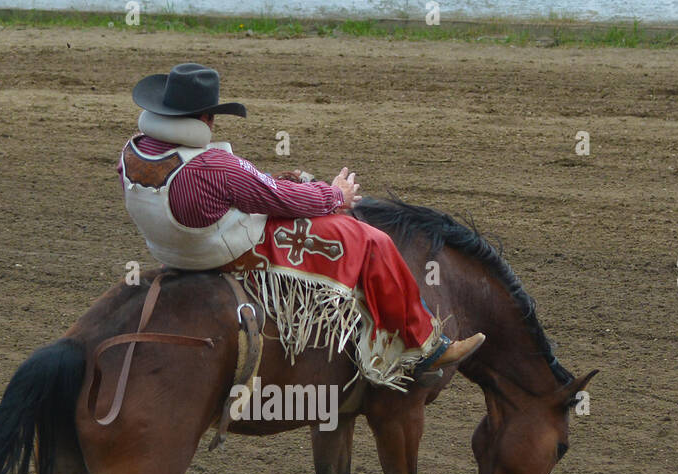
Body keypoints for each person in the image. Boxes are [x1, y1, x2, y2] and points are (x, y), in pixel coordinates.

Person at [116, 63, 484, 386]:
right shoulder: (215, 167)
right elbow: (281, 199)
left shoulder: (131, 153)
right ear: (206, 119)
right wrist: (335, 195)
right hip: (232, 248)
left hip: (175, 251)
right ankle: (425, 345)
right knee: (372, 240)